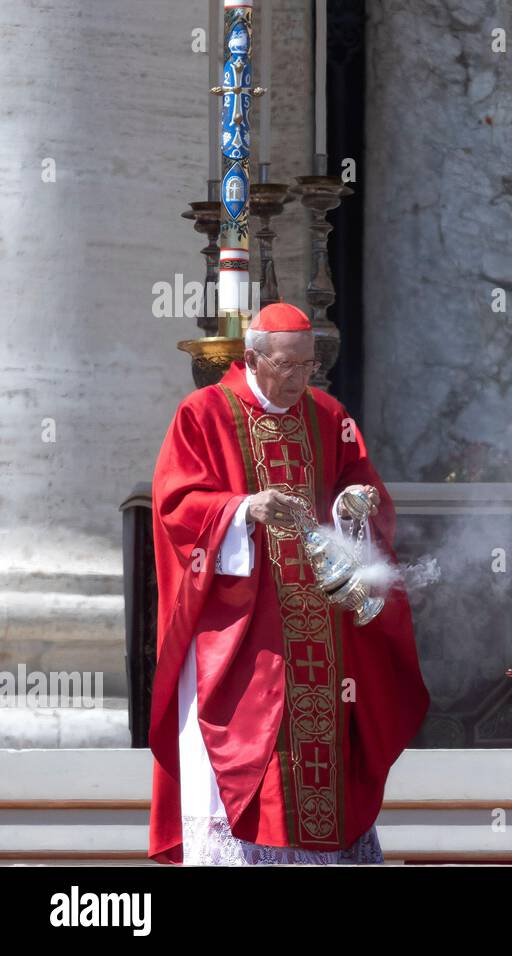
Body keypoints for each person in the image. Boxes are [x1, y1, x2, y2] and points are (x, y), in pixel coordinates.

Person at [147, 302, 429, 865]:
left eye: (309, 366)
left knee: (324, 766)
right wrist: (244, 508)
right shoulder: (203, 414)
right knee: (250, 755)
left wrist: (357, 504)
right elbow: (176, 506)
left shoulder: (329, 416)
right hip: (242, 635)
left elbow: (363, 493)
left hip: (323, 642)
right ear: (251, 358)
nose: (301, 378)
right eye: (287, 365)